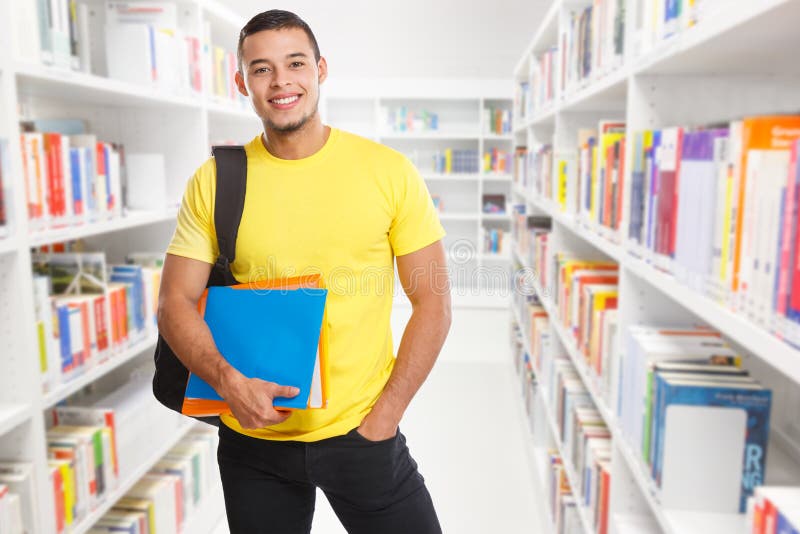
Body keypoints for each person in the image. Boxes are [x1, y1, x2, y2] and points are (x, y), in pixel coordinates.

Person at [157, 9, 451, 534]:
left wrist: (385, 418)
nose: (281, 81)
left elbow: (434, 303)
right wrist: (228, 383)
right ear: (242, 81)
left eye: (295, 63)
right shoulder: (215, 180)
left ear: (320, 69)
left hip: (362, 434)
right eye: (261, 69)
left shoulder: (387, 172)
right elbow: (174, 303)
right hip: (252, 441)